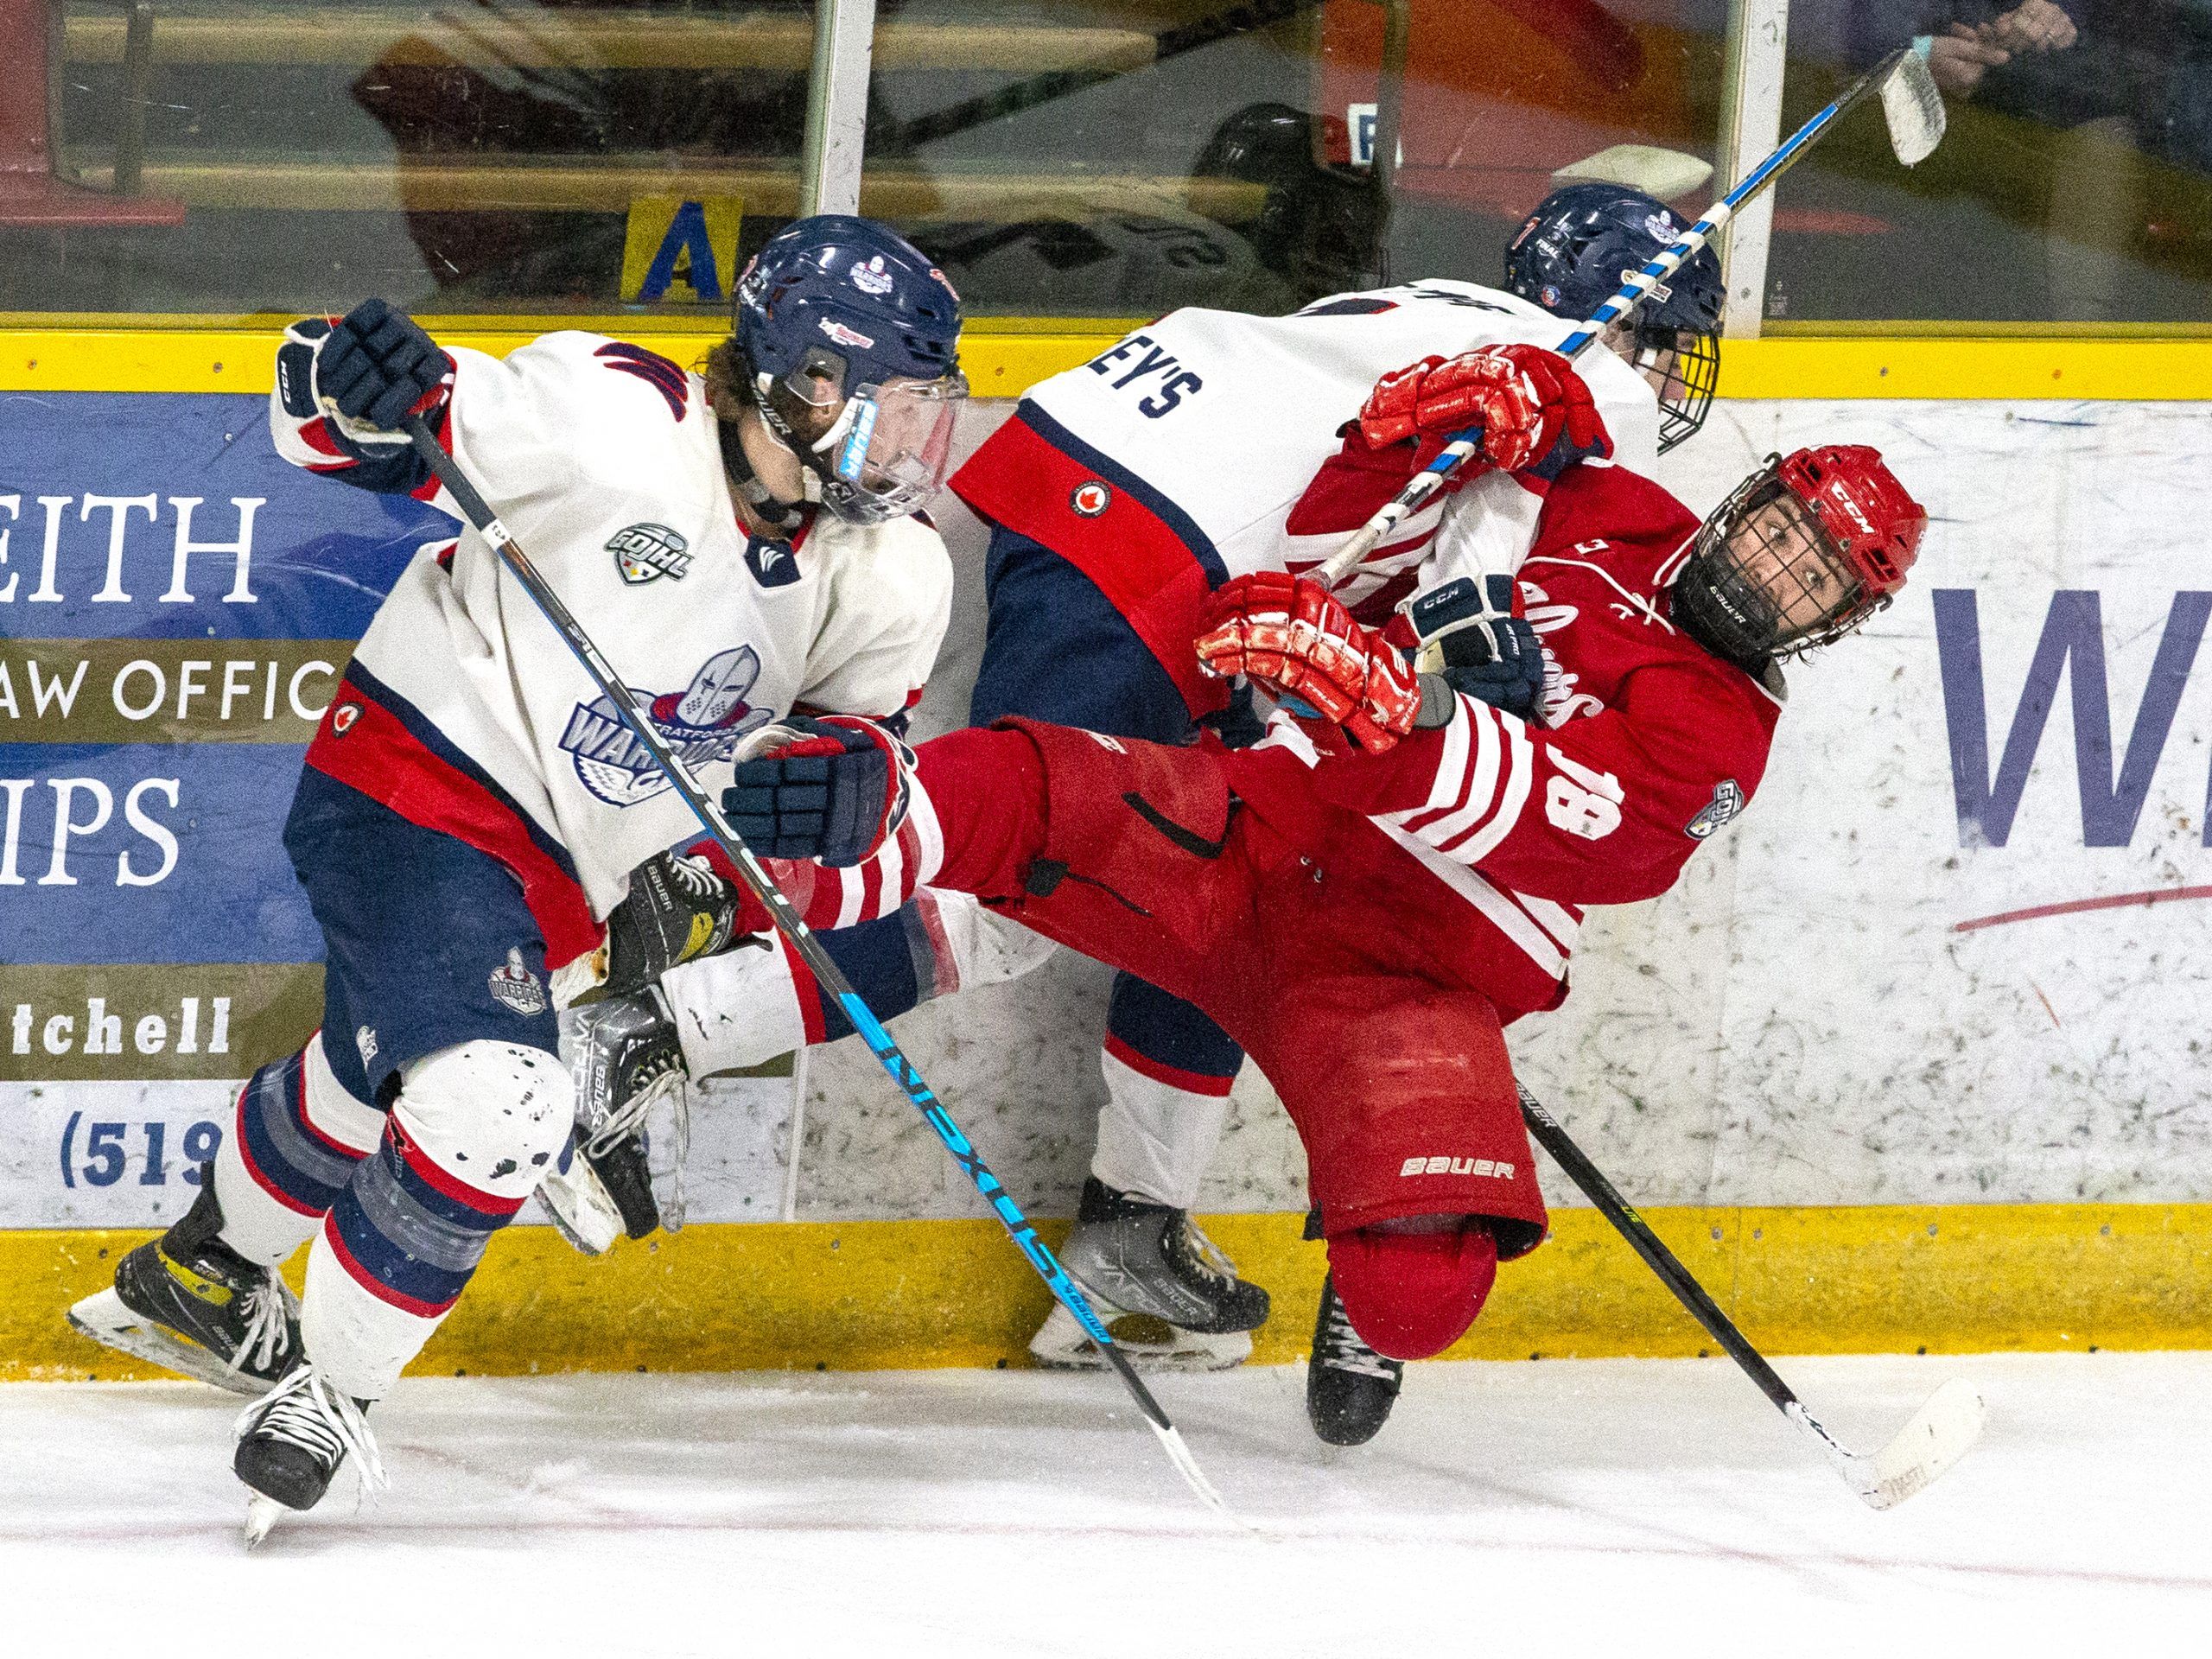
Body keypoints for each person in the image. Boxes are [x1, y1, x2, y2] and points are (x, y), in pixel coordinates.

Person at [564, 181, 1728, 1374]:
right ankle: (657, 1029)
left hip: (1040, 467)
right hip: (1158, 558)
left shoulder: (1412, 307)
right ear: (1632, 321)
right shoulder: (1594, 382)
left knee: (1207, 862)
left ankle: (1132, 1217)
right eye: (1668, 336)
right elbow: (1472, 591)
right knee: (1007, 888)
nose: (1664, 372)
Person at [691, 440, 1925, 1446]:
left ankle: (1376, 1257)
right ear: (1746, 501)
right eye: (1780, 533)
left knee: (1424, 1289)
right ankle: (846, 817)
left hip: (1402, 967)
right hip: (1254, 833)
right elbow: (1378, 517)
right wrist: (1495, 429)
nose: (1774, 576)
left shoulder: (1723, 737)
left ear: (1833, 621)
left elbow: (1572, 829)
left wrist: (1401, 718)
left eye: (1814, 579)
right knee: (1035, 786)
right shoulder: (1618, 511)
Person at [64, 215, 969, 1535]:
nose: (907, 450)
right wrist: (347, 379)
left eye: (923, 419)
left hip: (571, 868)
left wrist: (854, 788)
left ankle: (198, 1271)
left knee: (379, 1067)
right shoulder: (612, 420)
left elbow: (855, 744)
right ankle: (334, 1390)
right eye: (888, 412)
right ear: (799, 378)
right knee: (499, 1099)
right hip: (416, 781)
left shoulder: (896, 570)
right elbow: (351, 415)